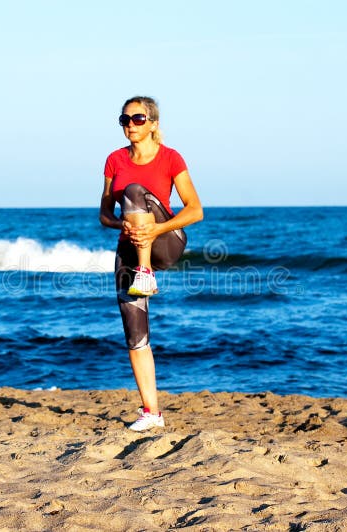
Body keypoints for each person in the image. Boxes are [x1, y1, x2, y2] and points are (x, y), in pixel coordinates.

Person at [99, 96, 203, 432]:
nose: (130, 124)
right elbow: (104, 215)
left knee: (134, 190)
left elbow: (194, 210)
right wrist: (123, 226)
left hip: (165, 242)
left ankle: (146, 271)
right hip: (129, 244)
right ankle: (151, 412)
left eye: (138, 118)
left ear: (154, 123)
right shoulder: (114, 160)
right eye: (125, 119)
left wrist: (155, 228)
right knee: (135, 336)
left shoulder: (171, 158)